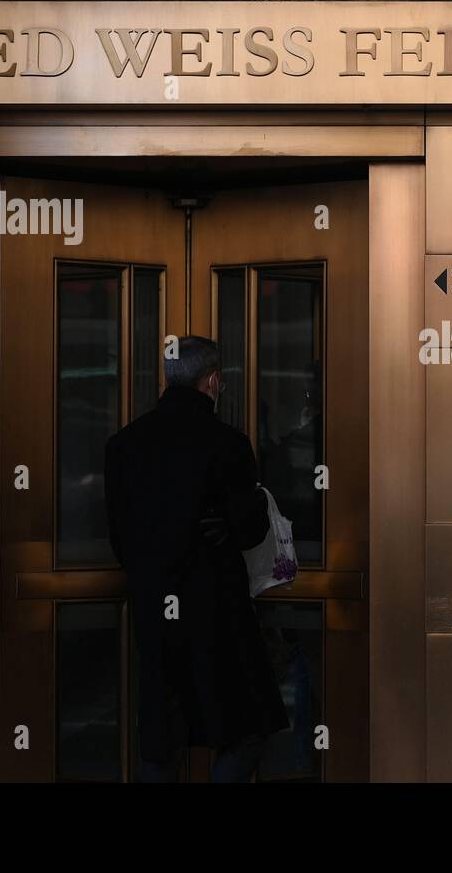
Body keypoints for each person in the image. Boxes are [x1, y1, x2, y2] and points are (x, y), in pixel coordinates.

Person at [104, 335, 289, 782]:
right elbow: (250, 532)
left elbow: (120, 541)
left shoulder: (124, 445)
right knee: (247, 727)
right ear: (213, 381)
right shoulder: (228, 444)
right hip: (217, 612)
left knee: (163, 740)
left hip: (155, 611)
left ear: (168, 379)